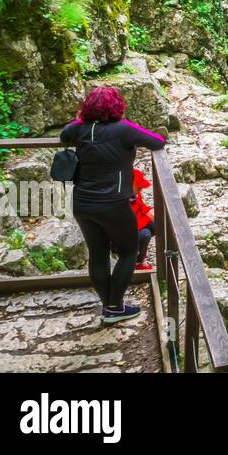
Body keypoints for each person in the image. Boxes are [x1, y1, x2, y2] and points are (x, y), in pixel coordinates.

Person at [60, 87, 166, 324]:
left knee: (97, 254)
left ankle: (109, 306)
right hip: (114, 204)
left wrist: (81, 120)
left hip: (82, 203)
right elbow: (158, 141)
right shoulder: (124, 129)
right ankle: (114, 308)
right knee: (128, 253)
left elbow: (64, 135)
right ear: (117, 106)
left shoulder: (79, 128)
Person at [131, 168, 154, 272]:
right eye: (139, 186)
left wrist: (152, 211)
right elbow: (131, 224)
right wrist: (148, 217)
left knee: (159, 223)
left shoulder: (135, 195)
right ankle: (138, 261)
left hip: (136, 226)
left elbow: (142, 208)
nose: (141, 188)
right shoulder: (122, 199)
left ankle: (142, 252)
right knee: (145, 234)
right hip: (124, 234)